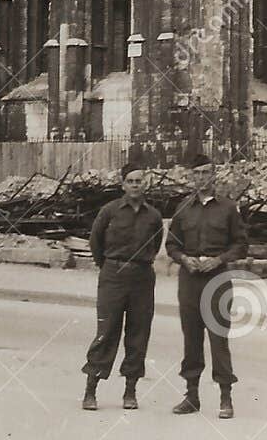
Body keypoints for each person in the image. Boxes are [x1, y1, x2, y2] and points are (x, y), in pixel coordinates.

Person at [166, 156, 248, 419]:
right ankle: (192, 397)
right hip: (189, 279)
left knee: (218, 338)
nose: (202, 178)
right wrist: (184, 259)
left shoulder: (228, 208)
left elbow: (240, 245)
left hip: (217, 279)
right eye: (197, 174)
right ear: (192, 177)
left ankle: (226, 398)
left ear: (214, 176)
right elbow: (172, 245)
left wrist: (218, 260)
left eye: (206, 173)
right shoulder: (183, 208)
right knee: (191, 337)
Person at [82, 166, 163, 412]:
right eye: (130, 181)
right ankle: (90, 390)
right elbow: (95, 241)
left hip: (142, 278)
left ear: (145, 184)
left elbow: (156, 243)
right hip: (113, 275)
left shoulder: (154, 216)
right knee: (106, 331)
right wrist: (108, 266)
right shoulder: (110, 211)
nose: (135, 185)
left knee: (138, 334)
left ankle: (130, 391)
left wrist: (139, 265)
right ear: (123, 185)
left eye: (139, 181)